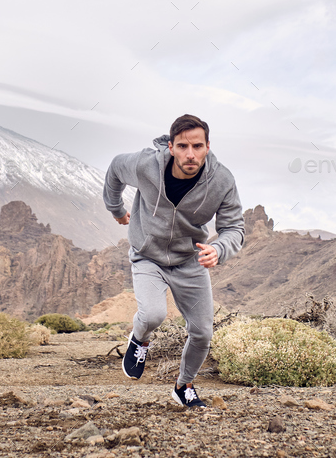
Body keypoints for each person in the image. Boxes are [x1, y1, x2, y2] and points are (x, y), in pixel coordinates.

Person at [102, 114, 245, 408]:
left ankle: (184, 386)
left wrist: (219, 249)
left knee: (203, 332)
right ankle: (139, 339)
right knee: (153, 315)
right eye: (182, 146)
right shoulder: (146, 166)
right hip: (147, 255)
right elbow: (116, 168)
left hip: (189, 261)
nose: (189, 154)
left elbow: (235, 229)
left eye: (197, 146)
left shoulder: (222, 181)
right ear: (171, 146)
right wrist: (116, 209)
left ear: (207, 146)